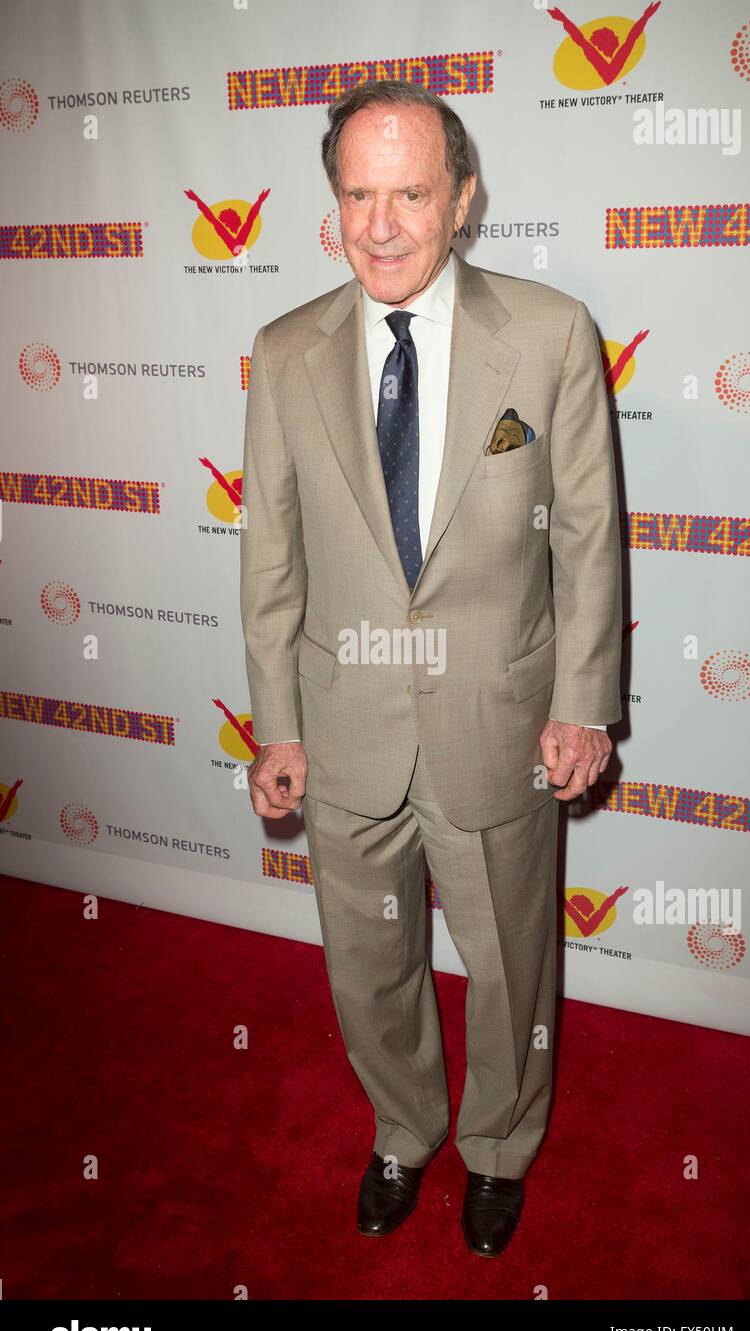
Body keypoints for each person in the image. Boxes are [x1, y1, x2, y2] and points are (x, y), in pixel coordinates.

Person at [239, 78, 621, 1258]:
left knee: (509, 962)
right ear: (333, 206)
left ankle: (499, 1144)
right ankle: (404, 1128)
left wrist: (582, 705)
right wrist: (278, 726)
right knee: (368, 960)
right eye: (358, 195)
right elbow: (272, 559)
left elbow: (590, 535)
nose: (383, 224)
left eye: (410, 192)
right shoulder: (283, 349)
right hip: (344, 725)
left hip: (495, 723)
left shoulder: (551, 334)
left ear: (461, 199)